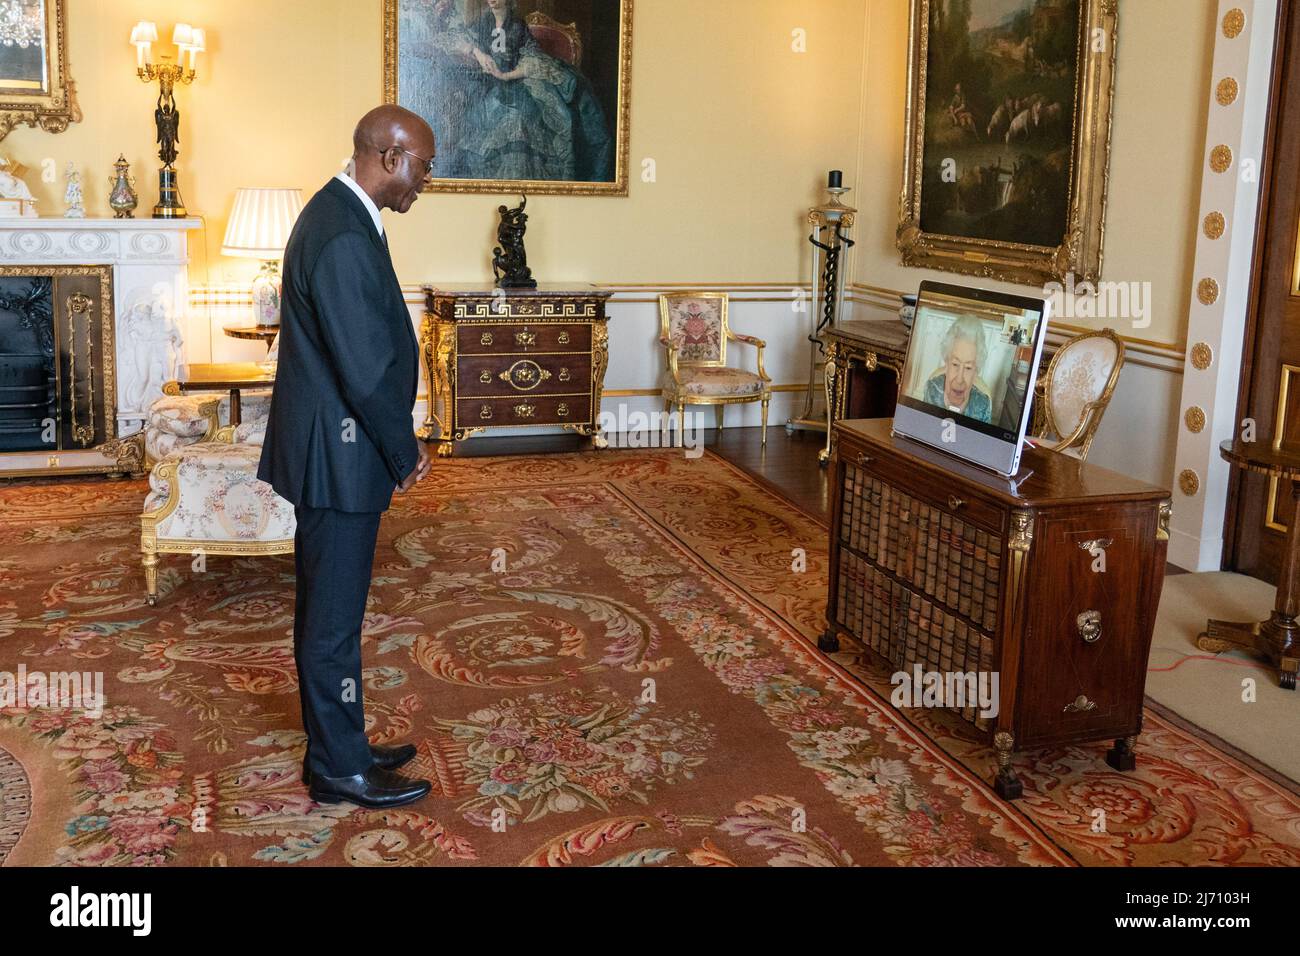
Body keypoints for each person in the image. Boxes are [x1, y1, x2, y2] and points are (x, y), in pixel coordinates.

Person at [257, 105, 436, 810]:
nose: (426, 180)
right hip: (340, 456)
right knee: (332, 620)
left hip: (336, 450)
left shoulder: (343, 216)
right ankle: (338, 770)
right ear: (390, 157)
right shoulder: (339, 233)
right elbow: (362, 367)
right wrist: (404, 448)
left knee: (331, 612)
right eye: (423, 165)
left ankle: (342, 745)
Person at [924, 315, 993, 423]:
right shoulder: (932, 389)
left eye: (968, 368)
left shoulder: (982, 405)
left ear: (976, 371)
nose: (959, 379)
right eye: (955, 364)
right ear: (946, 363)